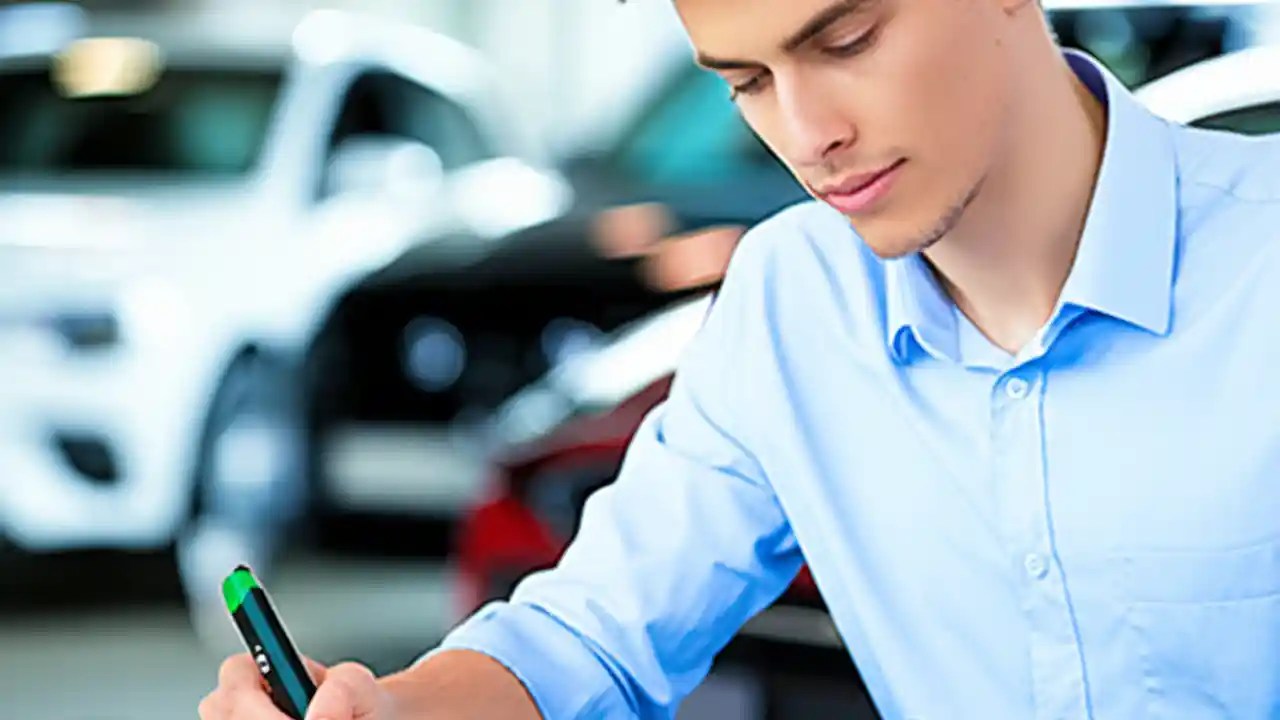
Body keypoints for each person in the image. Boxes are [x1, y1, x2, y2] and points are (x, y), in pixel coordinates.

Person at [201, 0, 1280, 717]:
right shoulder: (789, 302)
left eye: (843, 40)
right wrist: (388, 709)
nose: (806, 132)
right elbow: (589, 640)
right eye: (745, 82)